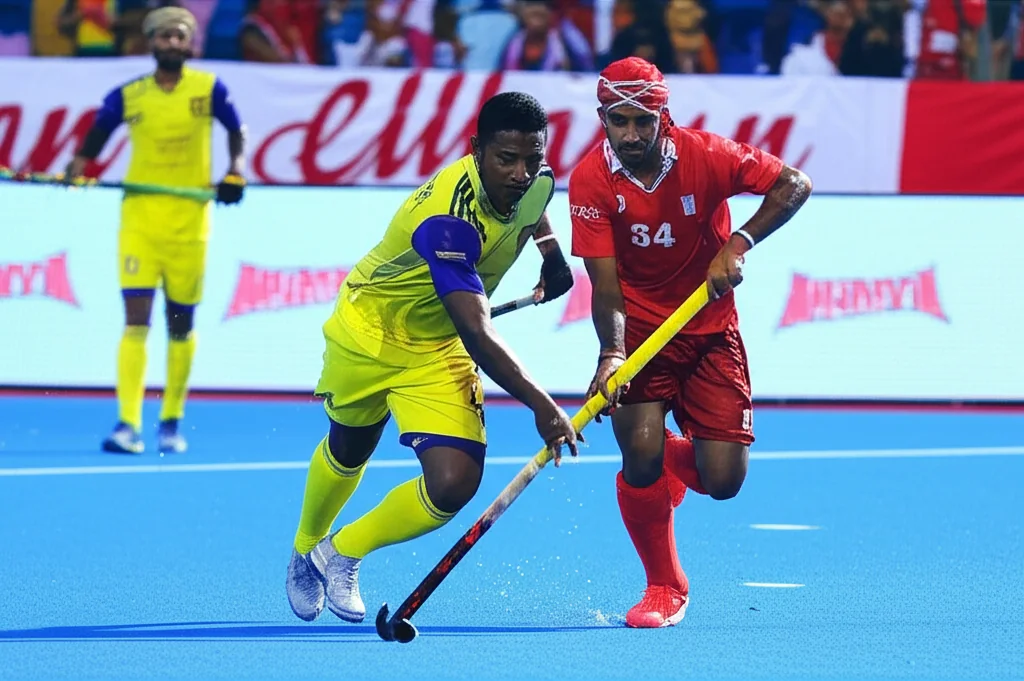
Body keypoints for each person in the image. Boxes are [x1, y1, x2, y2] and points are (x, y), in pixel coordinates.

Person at [285, 91, 578, 624]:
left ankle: (340, 552)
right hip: (370, 332)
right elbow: (477, 331)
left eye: (531, 158)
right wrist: (543, 406)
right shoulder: (448, 220)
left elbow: (535, 204)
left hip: (436, 345)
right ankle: (305, 547)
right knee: (350, 447)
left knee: (454, 481)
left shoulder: (534, 179)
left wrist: (551, 253)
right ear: (476, 149)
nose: (520, 173)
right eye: (505, 159)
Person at [568, 57, 812, 628]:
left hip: (709, 330)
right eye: (618, 121)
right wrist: (612, 354)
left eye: (643, 121)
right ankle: (664, 585)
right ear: (603, 119)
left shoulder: (707, 155)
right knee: (640, 457)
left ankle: (675, 460)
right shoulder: (590, 181)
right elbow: (606, 288)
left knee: (722, 481)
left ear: (664, 117)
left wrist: (740, 241)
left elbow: (794, 184)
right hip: (641, 336)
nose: (631, 134)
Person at [65, 6, 247, 455]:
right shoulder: (130, 95)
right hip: (141, 223)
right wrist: (78, 166)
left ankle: (171, 420)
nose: (172, 43)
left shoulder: (209, 89)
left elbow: (235, 130)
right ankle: (127, 424)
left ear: (190, 44)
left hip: (190, 226)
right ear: (151, 43)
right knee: (136, 321)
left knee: (180, 325)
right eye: (164, 36)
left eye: (179, 36)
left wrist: (235, 171)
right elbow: (97, 133)